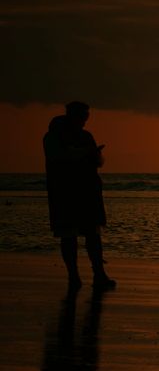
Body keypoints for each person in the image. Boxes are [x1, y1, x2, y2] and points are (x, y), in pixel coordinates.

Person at [43, 101, 115, 291]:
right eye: (82, 116)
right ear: (72, 116)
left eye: (86, 116)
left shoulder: (86, 135)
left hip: (88, 189)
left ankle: (98, 274)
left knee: (93, 233)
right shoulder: (53, 137)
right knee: (69, 234)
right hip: (65, 191)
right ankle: (74, 276)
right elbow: (58, 157)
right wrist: (85, 153)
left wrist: (95, 155)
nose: (85, 120)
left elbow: (98, 162)